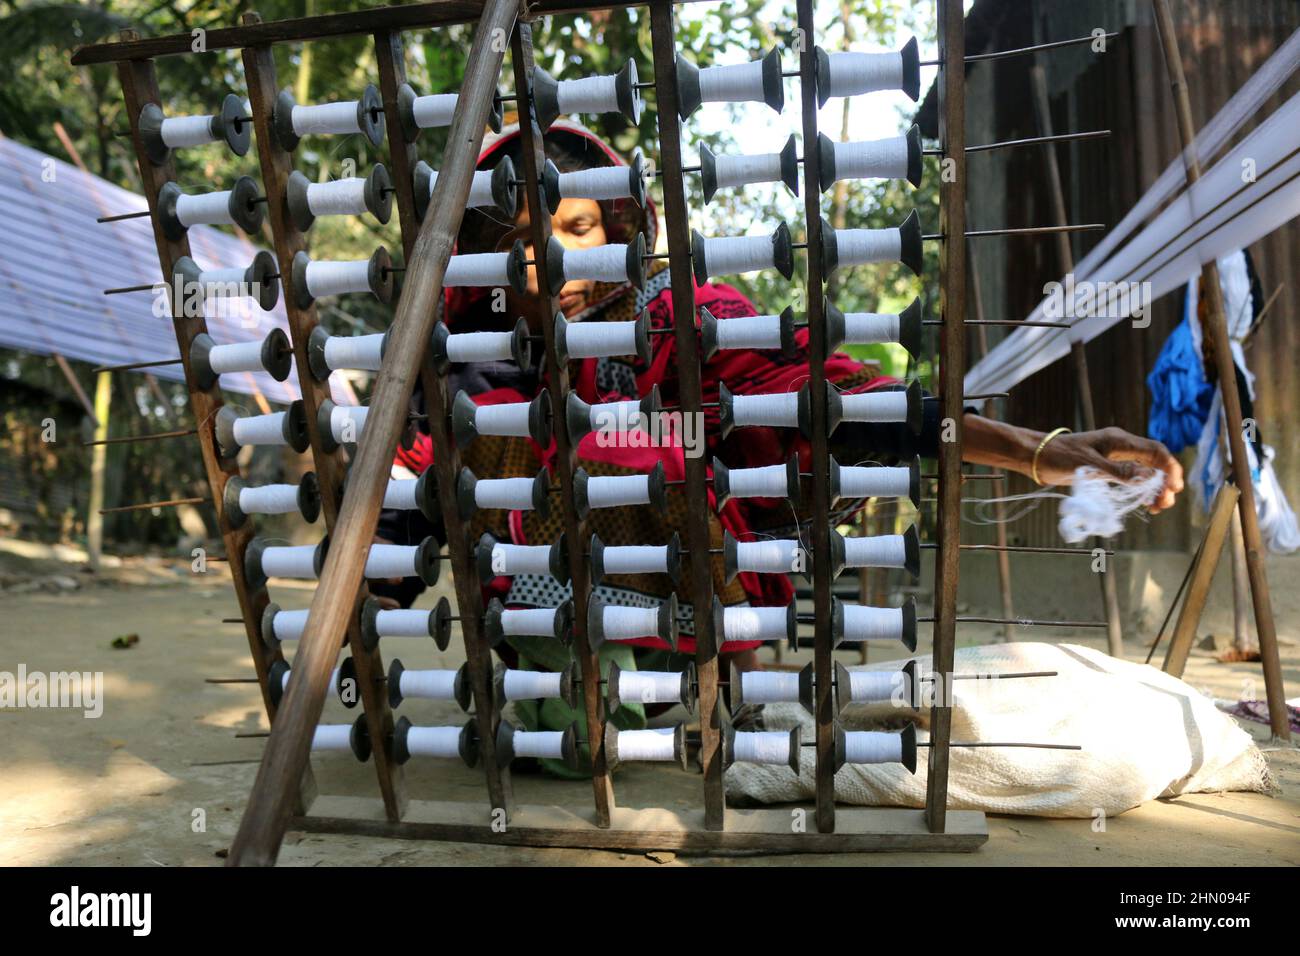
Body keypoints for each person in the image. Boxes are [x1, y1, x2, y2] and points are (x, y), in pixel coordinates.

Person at [370, 118, 1183, 771]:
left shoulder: (686, 318)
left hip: (688, 610)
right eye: (522, 244)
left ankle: (699, 684)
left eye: (577, 225)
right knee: (481, 425)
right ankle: (568, 684)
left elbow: (839, 399)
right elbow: (409, 494)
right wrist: (363, 630)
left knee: (620, 451)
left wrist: (1043, 450)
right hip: (552, 620)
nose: (553, 257)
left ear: (621, 223)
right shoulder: (505, 376)